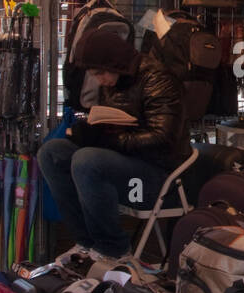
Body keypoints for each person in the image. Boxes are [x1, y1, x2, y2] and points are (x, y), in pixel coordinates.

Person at [37, 30, 189, 263]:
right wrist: (89, 132)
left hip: (158, 174)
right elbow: (114, 127)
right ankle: (86, 242)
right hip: (124, 164)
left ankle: (114, 250)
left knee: (87, 160)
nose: (100, 80)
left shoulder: (158, 79)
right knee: (52, 152)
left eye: (100, 73)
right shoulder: (115, 80)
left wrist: (104, 139)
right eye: (94, 75)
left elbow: (162, 139)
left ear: (115, 63)